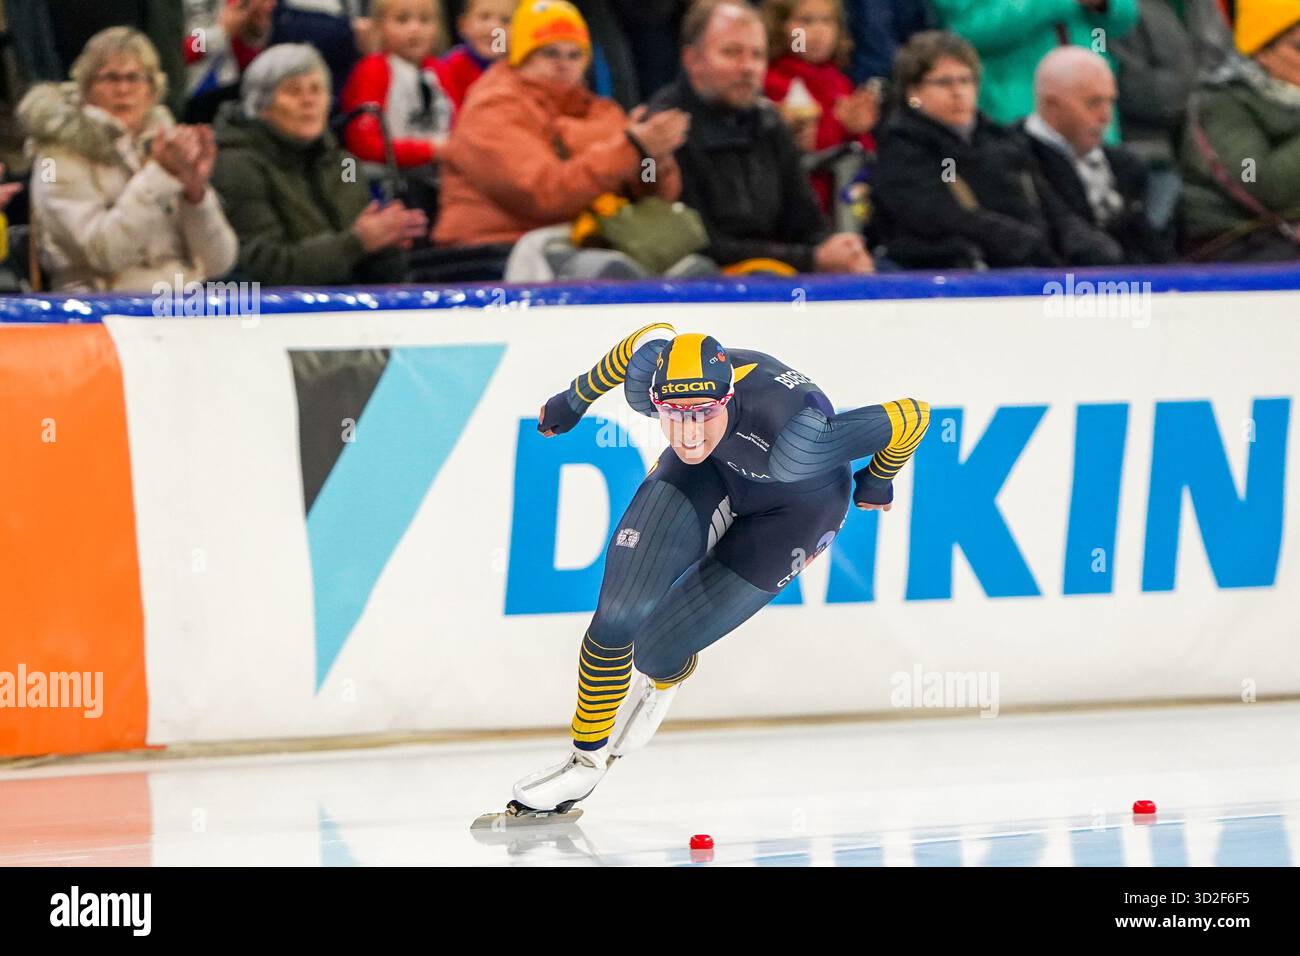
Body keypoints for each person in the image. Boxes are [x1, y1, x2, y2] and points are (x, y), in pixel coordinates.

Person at [499, 325, 930, 817]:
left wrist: (877, 479)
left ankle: (666, 676)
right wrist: (572, 400)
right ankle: (584, 763)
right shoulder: (654, 382)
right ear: (655, 400)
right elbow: (637, 350)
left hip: (797, 511)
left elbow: (912, 415)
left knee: (659, 649)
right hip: (711, 474)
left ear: (727, 400)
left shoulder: (800, 440)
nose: (687, 432)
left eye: (702, 414)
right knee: (617, 618)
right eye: (672, 415)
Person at [433, 1, 686, 250]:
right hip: (497, 250)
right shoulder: (493, 106)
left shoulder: (601, 111)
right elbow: (542, 194)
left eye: (575, 54)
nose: (563, 63)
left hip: (583, 244)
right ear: (522, 56)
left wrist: (652, 158)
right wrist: (631, 148)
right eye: (549, 52)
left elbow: (652, 196)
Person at [649, 0, 873, 274]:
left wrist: (841, 251)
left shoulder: (768, 121)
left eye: (757, 55)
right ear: (692, 60)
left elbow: (807, 224)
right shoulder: (664, 129)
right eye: (731, 53)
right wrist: (811, 258)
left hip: (779, 277)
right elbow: (700, 245)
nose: (747, 67)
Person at [873, 31, 1118, 269]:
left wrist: (1082, 242)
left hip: (1029, 262)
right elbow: (940, 217)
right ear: (913, 92)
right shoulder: (902, 147)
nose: (958, 92)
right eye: (944, 82)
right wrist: (1023, 241)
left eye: (966, 80)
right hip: (958, 271)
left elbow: (1050, 205)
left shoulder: (1001, 139)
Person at [18, 26, 237, 292]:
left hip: (182, 304)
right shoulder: (56, 157)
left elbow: (219, 262)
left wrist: (196, 195)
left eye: (135, 77)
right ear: (86, 87)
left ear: (152, 89)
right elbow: (102, 254)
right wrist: (159, 175)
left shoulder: (167, 145)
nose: (124, 89)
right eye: (110, 78)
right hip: (97, 310)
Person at [212, 44, 428, 285]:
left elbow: (369, 259)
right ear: (261, 106)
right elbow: (264, 267)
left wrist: (385, 243)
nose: (309, 100)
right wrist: (358, 242)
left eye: (317, 89)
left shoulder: (344, 165)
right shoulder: (236, 166)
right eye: (293, 91)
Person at [1019, 46, 1172, 262]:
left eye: (1110, 102)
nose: (1105, 116)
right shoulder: (1011, 160)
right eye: (1094, 103)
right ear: (1051, 105)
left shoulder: (1125, 165)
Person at [1178, 0, 1300, 262]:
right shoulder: (1223, 103)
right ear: (1262, 51)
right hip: (1233, 240)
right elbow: (1259, 181)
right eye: (1299, 47)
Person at [927, 0, 1138, 137]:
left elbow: (1120, 23)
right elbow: (966, 32)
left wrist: (1104, 5)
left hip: (1090, 105)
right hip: (1014, 109)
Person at [761, 0, 879, 214]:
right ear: (779, 26)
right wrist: (840, 127)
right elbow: (804, 149)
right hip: (795, 209)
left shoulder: (839, 81)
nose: (818, 31)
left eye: (827, 21)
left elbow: (860, 155)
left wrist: (858, 131)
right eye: (805, 21)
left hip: (842, 207)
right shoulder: (771, 82)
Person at [339, 0, 455, 177]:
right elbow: (363, 144)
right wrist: (430, 150)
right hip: (388, 179)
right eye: (402, 20)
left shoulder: (441, 71)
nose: (415, 29)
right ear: (379, 27)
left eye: (424, 20)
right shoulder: (372, 70)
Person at [439, 0, 515, 109]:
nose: (493, 28)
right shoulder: (448, 67)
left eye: (505, 20)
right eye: (484, 17)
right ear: (464, 25)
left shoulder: (520, 70)